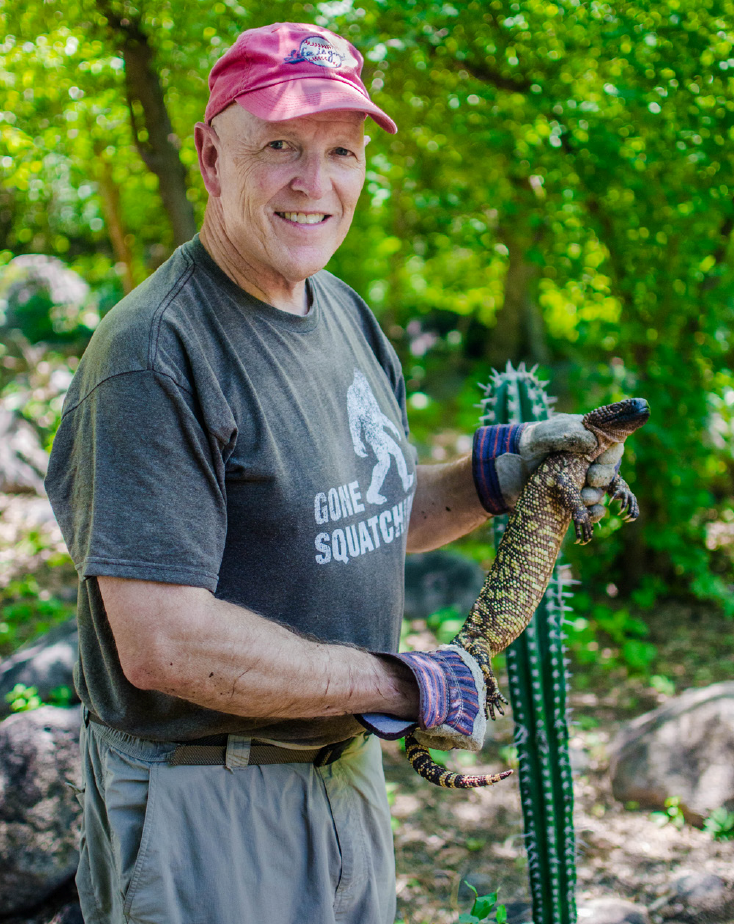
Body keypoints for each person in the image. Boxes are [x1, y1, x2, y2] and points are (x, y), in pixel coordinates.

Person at [45, 21, 622, 924]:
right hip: (208, 801)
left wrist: (506, 470)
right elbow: (164, 642)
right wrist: (404, 685)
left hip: (344, 777)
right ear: (209, 155)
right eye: (280, 147)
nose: (316, 184)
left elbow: (364, 514)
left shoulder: (341, 313)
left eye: (341, 152)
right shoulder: (155, 355)